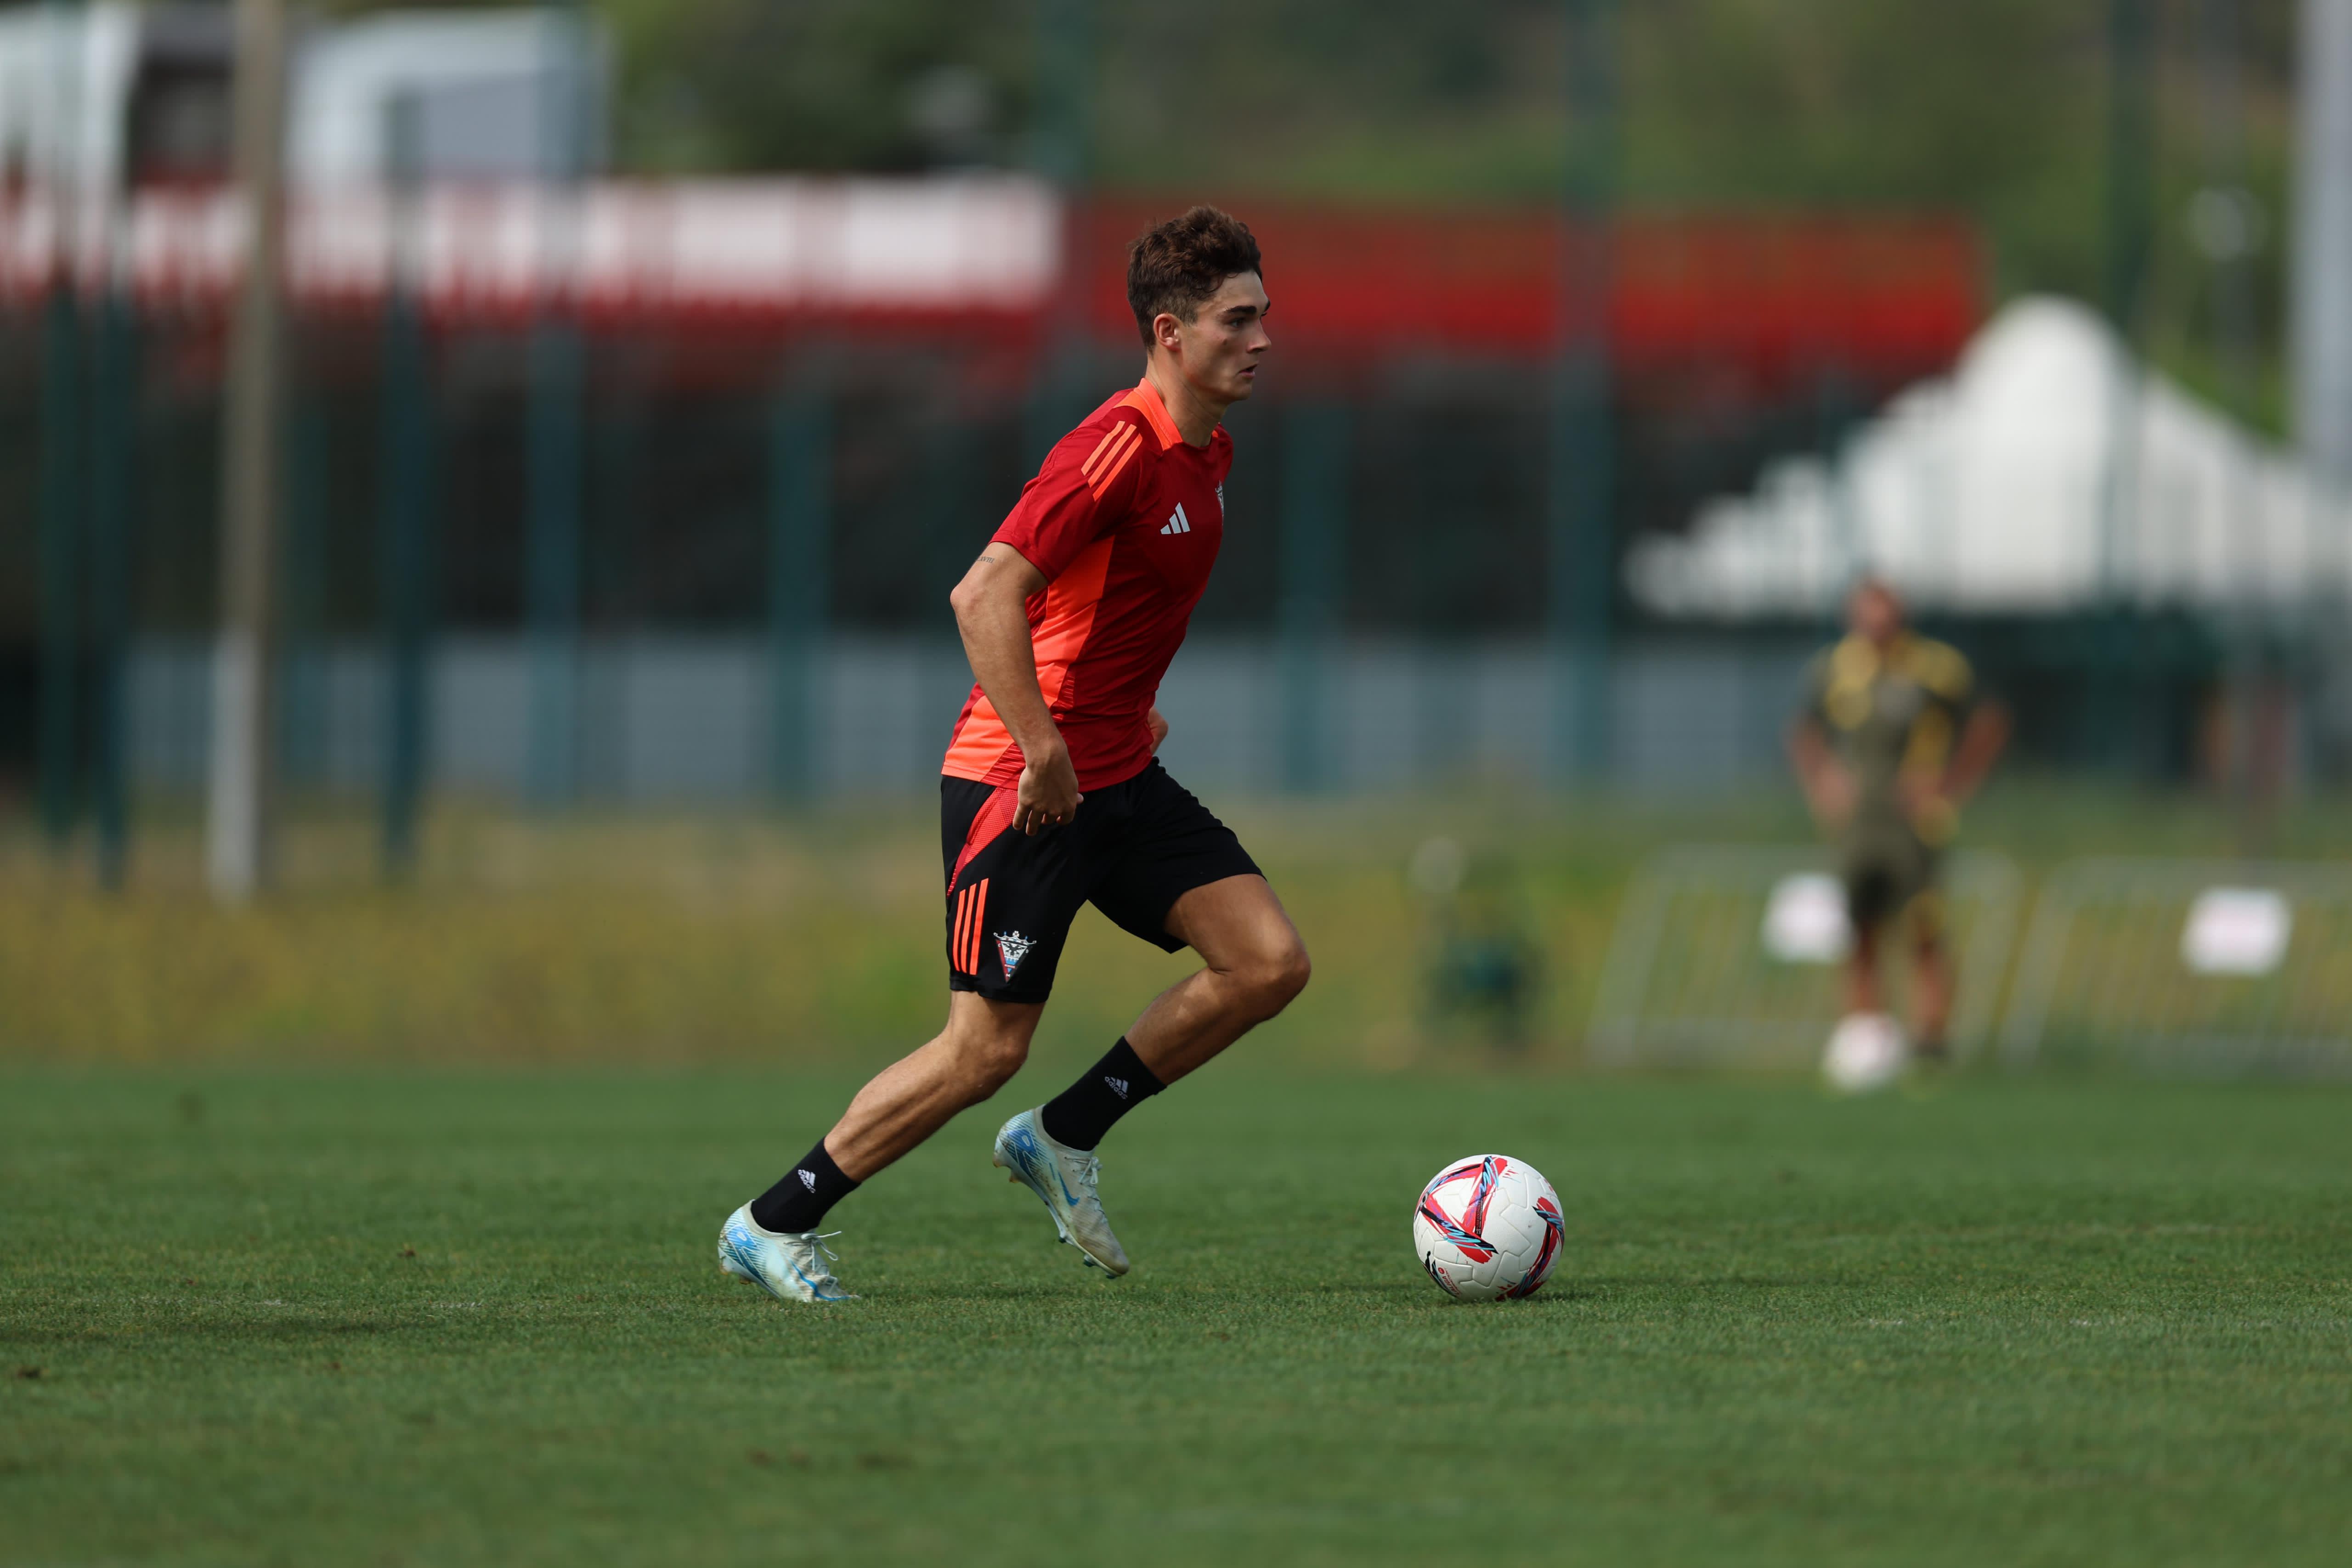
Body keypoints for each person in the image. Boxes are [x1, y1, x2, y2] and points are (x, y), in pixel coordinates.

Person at [717, 207, 1308, 1303]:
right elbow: (984, 592)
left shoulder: (1207, 452)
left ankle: (1064, 1135)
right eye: (1238, 319)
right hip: (1022, 785)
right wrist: (1043, 749)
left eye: (1264, 315)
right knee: (982, 1049)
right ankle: (769, 1220)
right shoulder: (1113, 450)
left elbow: (1110, 613)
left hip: (1116, 770)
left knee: (1266, 962)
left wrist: (1125, 717)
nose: (1262, 338)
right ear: (1170, 333)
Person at [1787, 578, 2007, 1062]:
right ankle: (1867, 1040)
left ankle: (1931, 1041)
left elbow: (1989, 722)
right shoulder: (1834, 668)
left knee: (1922, 930)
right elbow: (1803, 732)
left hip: (1915, 824)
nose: (1875, 629)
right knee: (1858, 930)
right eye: (1865, 619)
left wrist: (1951, 785)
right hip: (1859, 823)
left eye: (1884, 619)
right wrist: (1823, 784)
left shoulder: (1935, 668)